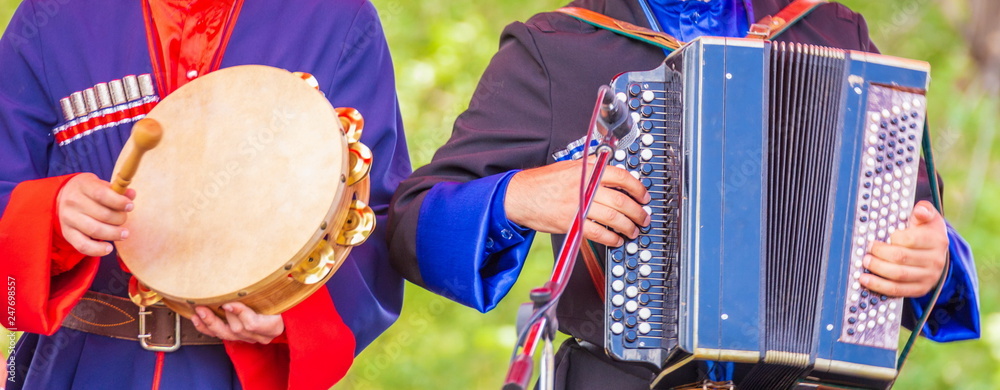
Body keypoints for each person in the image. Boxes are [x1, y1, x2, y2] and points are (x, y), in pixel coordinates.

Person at [387, 0, 980, 388]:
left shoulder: (831, 30)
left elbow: (915, 221)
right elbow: (412, 225)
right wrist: (518, 197)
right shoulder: (556, 46)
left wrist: (933, 259)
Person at [0, 0, 410, 388]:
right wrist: (50, 211)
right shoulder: (51, 15)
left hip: (240, 375)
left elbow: (373, 218)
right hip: (78, 368)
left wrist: (294, 319)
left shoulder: (338, 17)